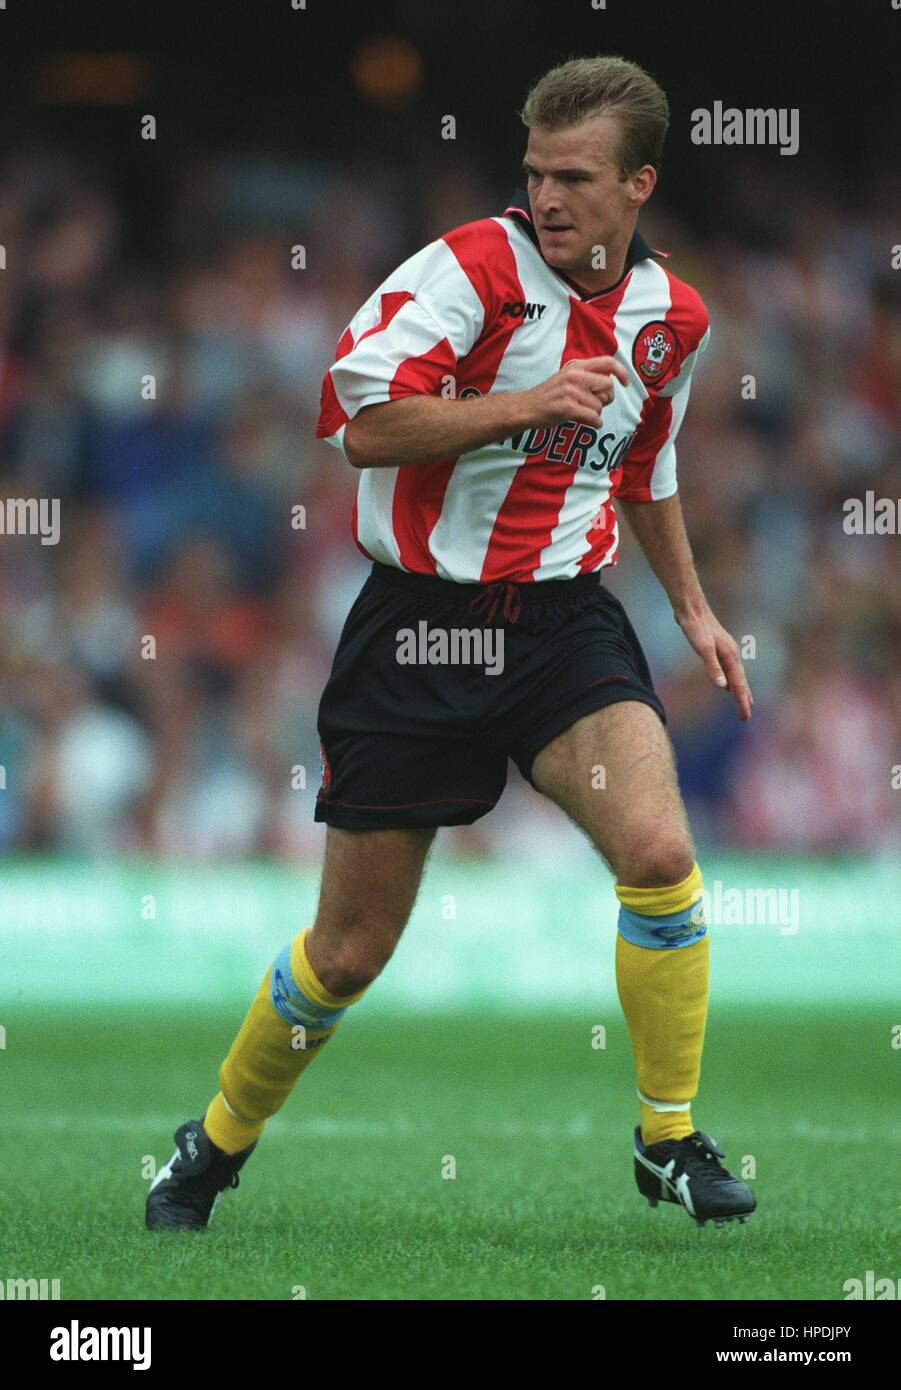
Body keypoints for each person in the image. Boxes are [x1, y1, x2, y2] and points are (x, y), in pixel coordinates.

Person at [147, 54, 756, 1233]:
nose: (547, 197)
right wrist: (522, 405)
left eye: (574, 177)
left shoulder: (671, 317)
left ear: (639, 184)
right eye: (533, 171)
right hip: (418, 629)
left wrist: (688, 604)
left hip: (565, 625)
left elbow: (646, 464)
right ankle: (213, 1142)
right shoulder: (471, 269)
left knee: (658, 850)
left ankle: (668, 1135)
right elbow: (363, 428)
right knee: (349, 951)